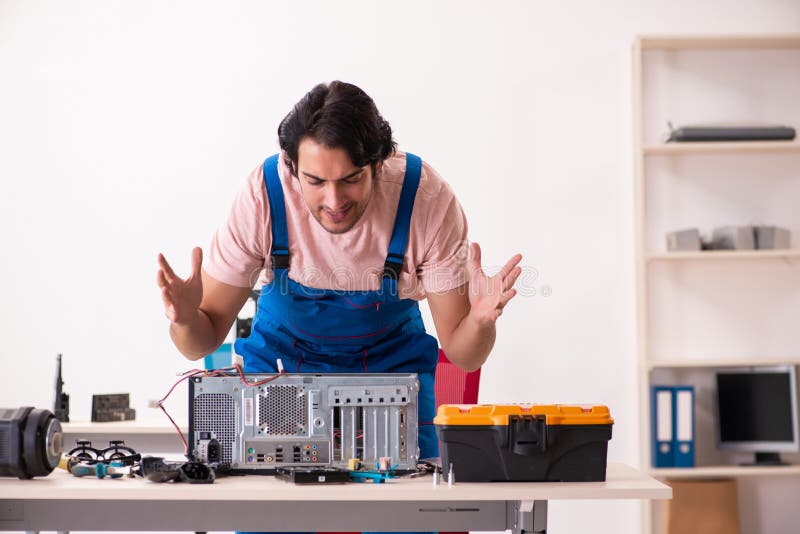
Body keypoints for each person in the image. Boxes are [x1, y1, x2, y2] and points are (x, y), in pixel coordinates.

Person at [157, 79, 521, 487]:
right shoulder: (263, 196)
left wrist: (481, 322)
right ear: (292, 167)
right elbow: (199, 343)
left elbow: (465, 354)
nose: (333, 201)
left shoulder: (425, 200)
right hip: (279, 383)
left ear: (379, 163)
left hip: (393, 382)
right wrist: (187, 319)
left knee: (405, 520)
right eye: (314, 181)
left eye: (350, 178)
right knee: (271, 520)